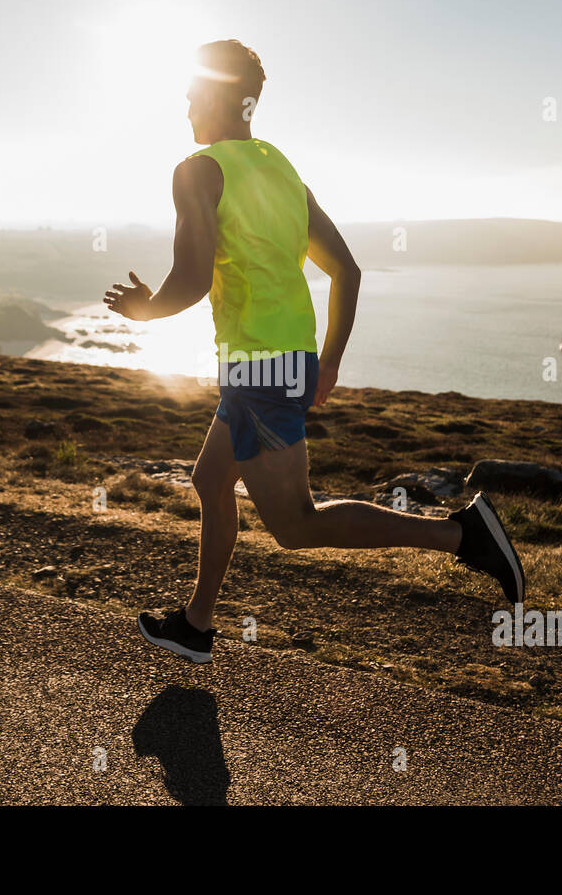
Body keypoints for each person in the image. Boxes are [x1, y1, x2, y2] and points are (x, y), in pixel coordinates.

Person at [104, 40, 524, 664]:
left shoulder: (197, 170)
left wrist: (145, 309)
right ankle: (195, 623)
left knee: (296, 525)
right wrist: (326, 363)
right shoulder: (280, 172)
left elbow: (190, 279)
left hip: (257, 369)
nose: (186, 104)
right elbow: (347, 272)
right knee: (209, 478)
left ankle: (463, 536)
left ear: (221, 95)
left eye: (193, 91)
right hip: (284, 363)